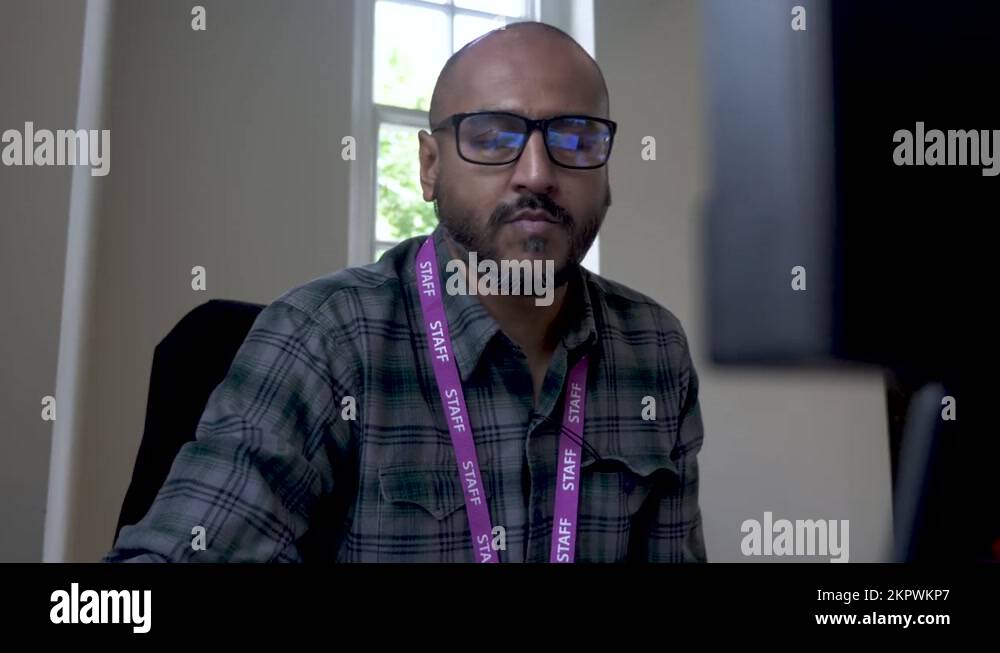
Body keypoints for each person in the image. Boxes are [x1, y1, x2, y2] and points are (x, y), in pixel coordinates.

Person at [104, 21, 706, 563]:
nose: (537, 173)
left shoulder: (654, 348)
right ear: (429, 166)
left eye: (575, 140)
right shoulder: (324, 337)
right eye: (493, 137)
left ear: (606, 172)